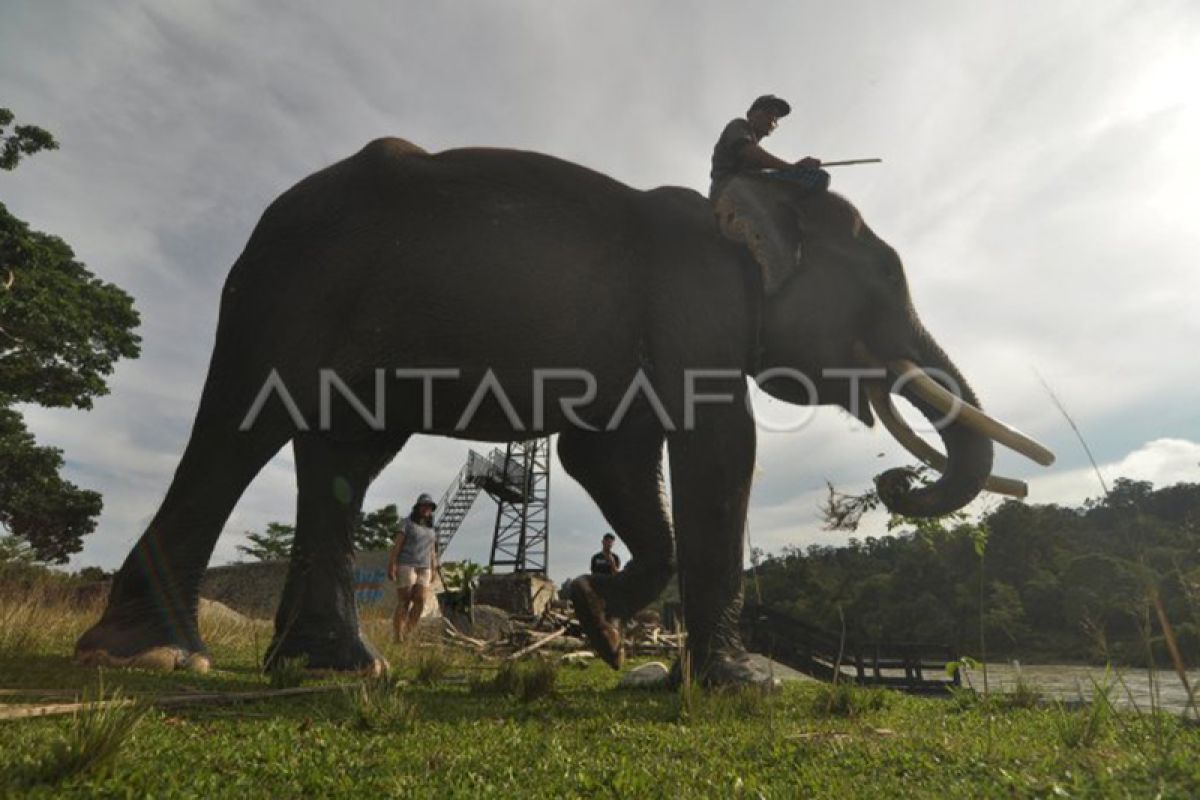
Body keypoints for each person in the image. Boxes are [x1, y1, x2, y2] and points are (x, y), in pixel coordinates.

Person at [708, 94, 825, 202]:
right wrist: (792, 168)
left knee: (814, 176)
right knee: (814, 176)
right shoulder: (739, 125)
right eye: (768, 113)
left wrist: (796, 168)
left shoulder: (754, 147)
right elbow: (747, 152)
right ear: (750, 114)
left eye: (775, 119)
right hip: (729, 188)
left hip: (746, 186)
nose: (772, 120)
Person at [388, 492, 439, 642]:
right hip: (407, 563)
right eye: (423, 505)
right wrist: (392, 565)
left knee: (421, 599)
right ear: (417, 507)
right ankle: (398, 636)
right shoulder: (407, 523)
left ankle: (408, 632)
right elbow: (397, 545)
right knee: (405, 600)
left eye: (429, 506)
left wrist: (434, 568)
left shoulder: (432, 529)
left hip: (425, 567)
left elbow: (432, 551)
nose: (426, 509)